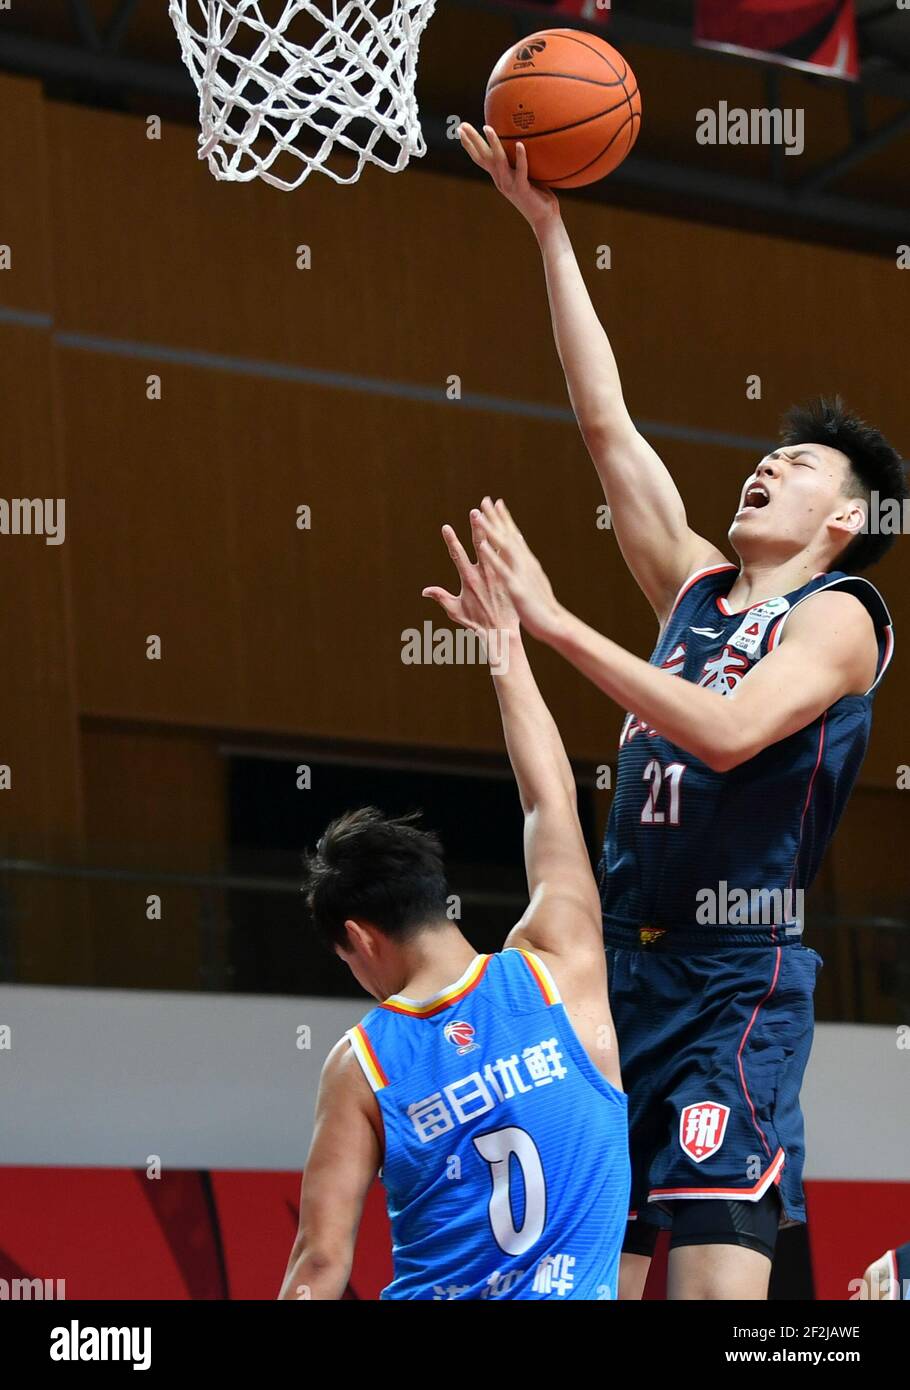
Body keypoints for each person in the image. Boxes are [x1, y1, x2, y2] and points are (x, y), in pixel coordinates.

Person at [460, 120, 904, 1300]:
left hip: (730, 981)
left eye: (800, 466)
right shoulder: (695, 591)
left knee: (713, 1295)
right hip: (612, 973)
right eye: (767, 456)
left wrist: (553, 624)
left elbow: (723, 730)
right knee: (570, 1281)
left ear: (844, 521)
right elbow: (604, 421)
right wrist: (549, 230)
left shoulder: (842, 619)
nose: (766, 467)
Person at [279, 504, 629, 1300]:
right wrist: (504, 649)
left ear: (360, 939)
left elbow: (319, 1266)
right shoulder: (559, 969)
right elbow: (551, 803)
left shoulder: (360, 1065)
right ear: (437, 894)